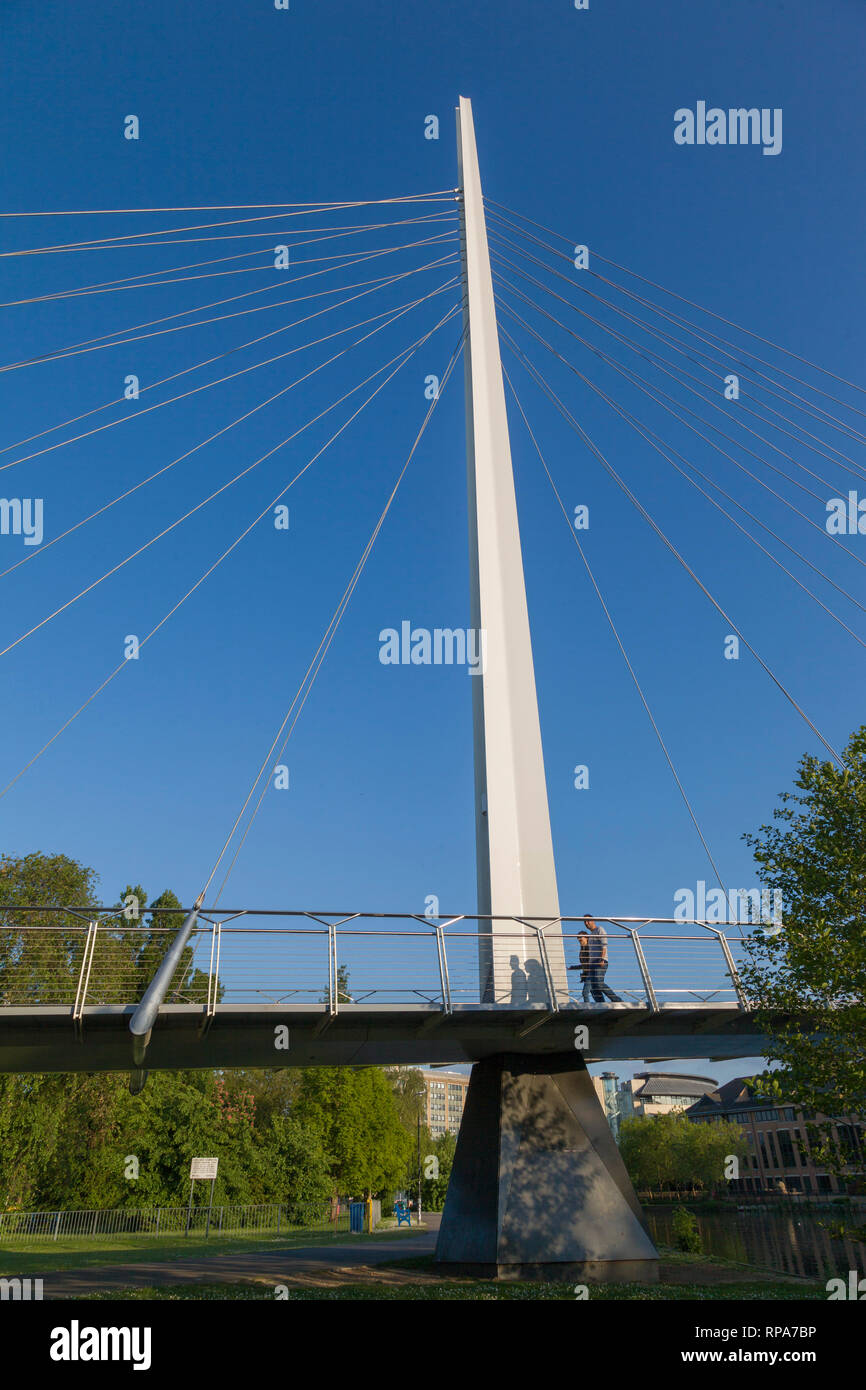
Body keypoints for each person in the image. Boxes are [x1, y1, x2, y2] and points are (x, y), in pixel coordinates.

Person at [584, 914, 621, 1003]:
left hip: (600, 961)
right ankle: (601, 1003)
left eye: (588, 921)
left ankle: (617, 1000)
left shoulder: (599, 929)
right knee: (593, 987)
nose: (586, 923)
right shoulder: (591, 935)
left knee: (599, 983)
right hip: (592, 964)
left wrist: (602, 959)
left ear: (593, 921)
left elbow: (604, 945)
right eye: (584, 922)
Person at [568, 931, 593, 1002]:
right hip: (587, 974)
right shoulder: (582, 948)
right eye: (578, 938)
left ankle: (587, 1008)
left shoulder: (590, 947)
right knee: (596, 992)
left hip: (592, 973)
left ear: (586, 938)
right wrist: (573, 967)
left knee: (585, 993)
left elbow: (589, 962)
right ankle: (615, 1000)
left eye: (580, 937)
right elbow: (584, 964)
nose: (579, 939)